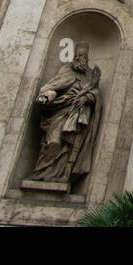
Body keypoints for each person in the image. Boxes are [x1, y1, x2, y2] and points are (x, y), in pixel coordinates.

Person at [28, 42, 102, 188]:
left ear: (87, 59)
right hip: (60, 112)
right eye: (77, 56)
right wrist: (47, 96)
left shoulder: (90, 76)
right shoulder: (66, 70)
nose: (79, 59)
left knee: (71, 146)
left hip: (78, 116)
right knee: (54, 141)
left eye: (83, 57)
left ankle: (63, 175)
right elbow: (52, 88)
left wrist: (87, 98)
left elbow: (96, 93)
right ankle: (42, 172)